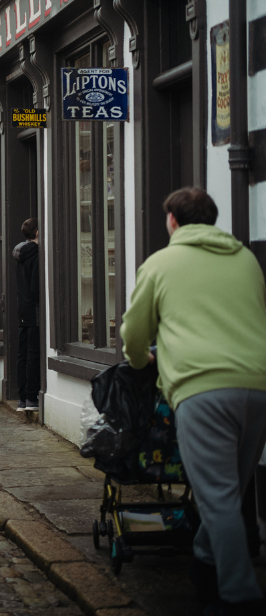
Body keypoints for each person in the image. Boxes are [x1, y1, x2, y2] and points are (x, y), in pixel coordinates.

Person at [121, 187, 266, 615]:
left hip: (202, 389)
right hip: (258, 386)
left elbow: (134, 333)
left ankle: (240, 596)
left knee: (217, 496)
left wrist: (139, 361)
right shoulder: (246, 260)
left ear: (172, 221)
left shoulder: (161, 263)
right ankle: (205, 565)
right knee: (229, 491)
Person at [13, 218, 40, 412]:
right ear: (38, 233)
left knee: (23, 354)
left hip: (22, 308)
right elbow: (36, 287)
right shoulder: (37, 254)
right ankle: (32, 398)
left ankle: (22, 398)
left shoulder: (21, 253)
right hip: (34, 309)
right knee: (33, 354)